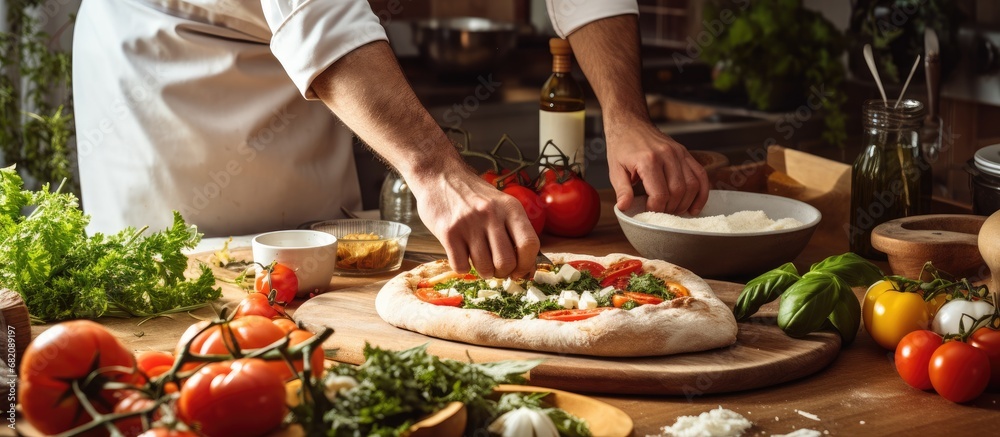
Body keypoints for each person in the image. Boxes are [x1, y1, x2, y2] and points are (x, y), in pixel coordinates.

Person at [73, 0, 709, 280]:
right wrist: (436, 173)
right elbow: (320, 14)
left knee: (318, 274)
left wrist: (626, 114)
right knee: (174, 285)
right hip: (178, 50)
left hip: (317, 60)